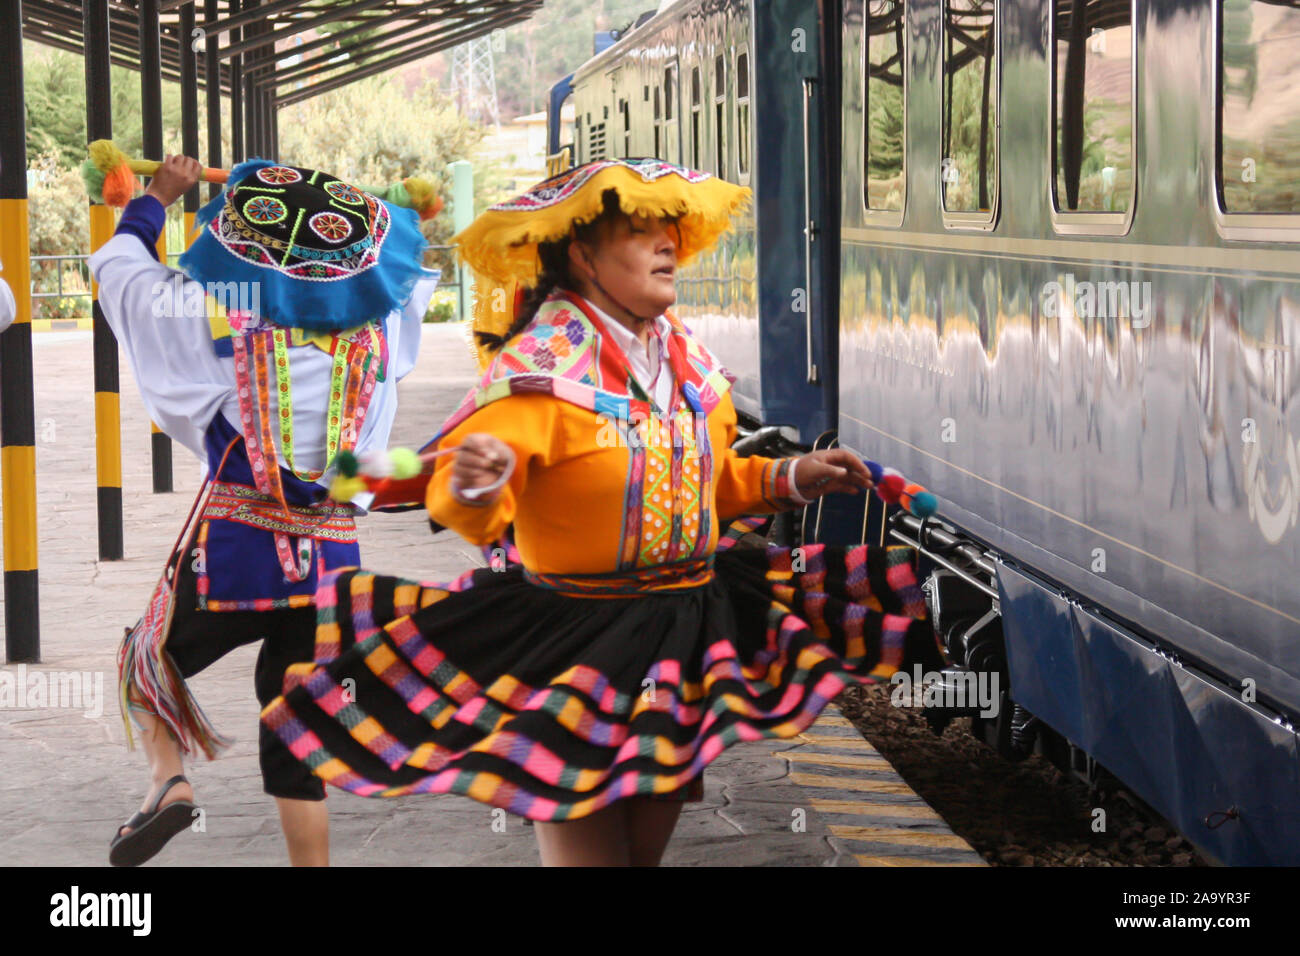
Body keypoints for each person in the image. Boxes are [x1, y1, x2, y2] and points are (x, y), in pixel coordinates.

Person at [261, 157, 935, 866]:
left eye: (670, 228)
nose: (668, 243)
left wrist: (792, 477)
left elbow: (704, 485)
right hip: (576, 646)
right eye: (641, 230)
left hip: (678, 634)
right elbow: (470, 495)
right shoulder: (543, 374)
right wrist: (478, 482)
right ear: (582, 254)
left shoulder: (683, 362)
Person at [89, 154, 439, 866]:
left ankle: (170, 784)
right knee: (295, 719)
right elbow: (402, 275)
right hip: (332, 565)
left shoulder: (208, 319)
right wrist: (377, 201)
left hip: (237, 552)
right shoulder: (377, 333)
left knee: (143, 661)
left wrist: (156, 197)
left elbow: (121, 274)